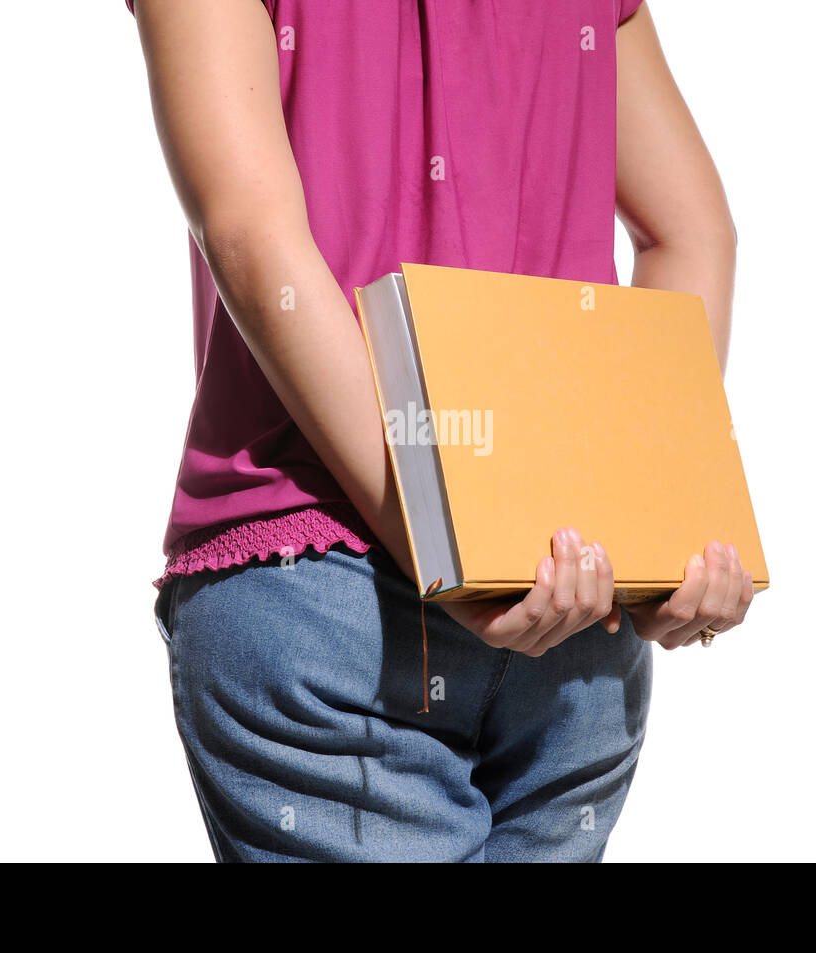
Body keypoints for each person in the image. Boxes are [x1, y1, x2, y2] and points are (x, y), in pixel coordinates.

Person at [128, 0, 755, 862]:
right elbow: (693, 233)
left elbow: (250, 233)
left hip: (325, 584)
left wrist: (446, 544)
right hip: (568, 599)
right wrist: (655, 525)